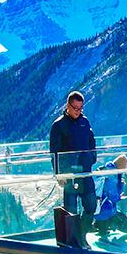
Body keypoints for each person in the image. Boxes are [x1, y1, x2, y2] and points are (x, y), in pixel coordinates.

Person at [49, 90, 99, 234]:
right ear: (68, 106)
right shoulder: (59, 125)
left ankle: (84, 231)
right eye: (75, 108)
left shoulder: (85, 122)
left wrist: (92, 158)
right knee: (71, 209)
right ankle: (73, 237)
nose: (78, 111)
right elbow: (54, 152)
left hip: (85, 171)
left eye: (81, 108)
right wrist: (59, 174)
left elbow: (91, 142)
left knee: (91, 204)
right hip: (69, 174)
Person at [94, 155, 127, 239]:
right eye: (125, 165)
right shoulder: (112, 175)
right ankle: (108, 224)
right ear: (121, 165)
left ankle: (102, 226)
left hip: (100, 208)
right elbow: (112, 195)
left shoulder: (110, 170)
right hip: (106, 210)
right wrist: (119, 197)